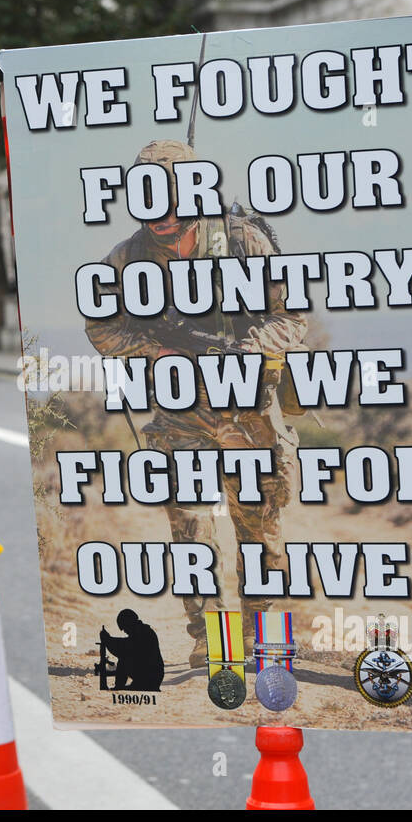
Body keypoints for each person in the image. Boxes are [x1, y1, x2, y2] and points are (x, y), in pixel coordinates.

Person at [85, 140, 309, 669]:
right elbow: (100, 325)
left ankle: (265, 644)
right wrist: (153, 350)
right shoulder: (127, 257)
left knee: (260, 530)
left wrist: (250, 350)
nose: (161, 215)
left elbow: (292, 316)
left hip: (247, 412)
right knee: (191, 533)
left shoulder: (242, 243)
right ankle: (214, 646)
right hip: (179, 414)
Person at [100, 609, 164, 691]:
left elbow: (124, 647)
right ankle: (130, 685)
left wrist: (108, 640)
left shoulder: (143, 633)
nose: (125, 632)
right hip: (151, 677)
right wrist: (109, 640)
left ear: (129, 623)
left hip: (151, 678)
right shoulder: (143, 630)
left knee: (124, 658)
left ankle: (120, 686)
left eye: (124, 628)